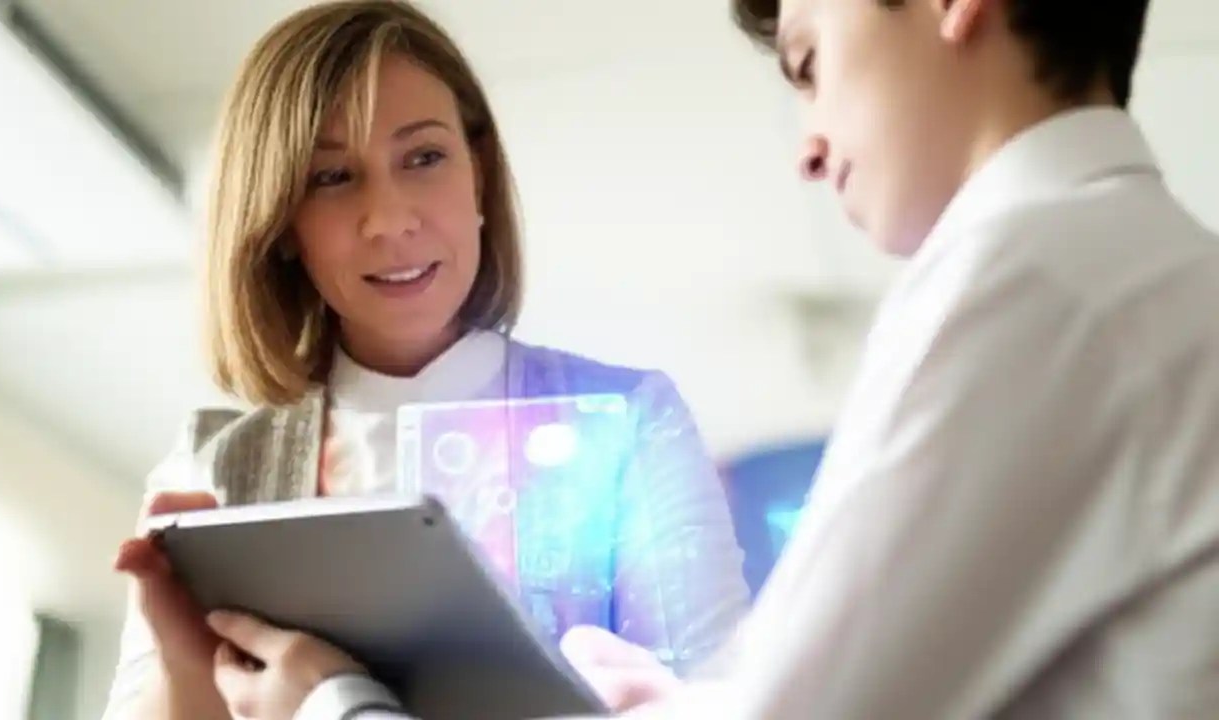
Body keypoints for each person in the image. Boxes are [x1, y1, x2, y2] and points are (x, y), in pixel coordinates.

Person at [204, 0, 1219, 717]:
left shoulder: (1029, 288)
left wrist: (333, 707)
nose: (807, 148)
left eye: (809, 62)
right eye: (332, 179)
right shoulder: (1132, 273)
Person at [98, 2, 751, 718]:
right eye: (332, 178)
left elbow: (712, 705)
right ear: (282, 225)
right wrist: (184, 657)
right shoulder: (211, 473)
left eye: (424, 158)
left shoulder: (629, 423)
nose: (391, 220)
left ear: (479, 176)